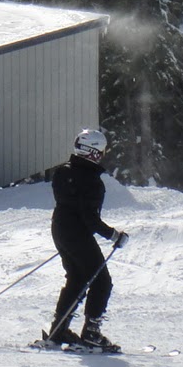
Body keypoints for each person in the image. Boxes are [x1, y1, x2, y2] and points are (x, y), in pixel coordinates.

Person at [44, 127, 129, 351]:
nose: (102, 156)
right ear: (93, 153)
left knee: (77, 278)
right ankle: (91, 333)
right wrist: (114, 236)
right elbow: (90, 219)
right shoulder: (92, 181)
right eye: (101, 152)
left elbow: (70, 206)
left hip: (60, 230)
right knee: (102, 281)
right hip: (77, 234)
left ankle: (58, 329)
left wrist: (70, 236)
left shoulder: (62, 173)